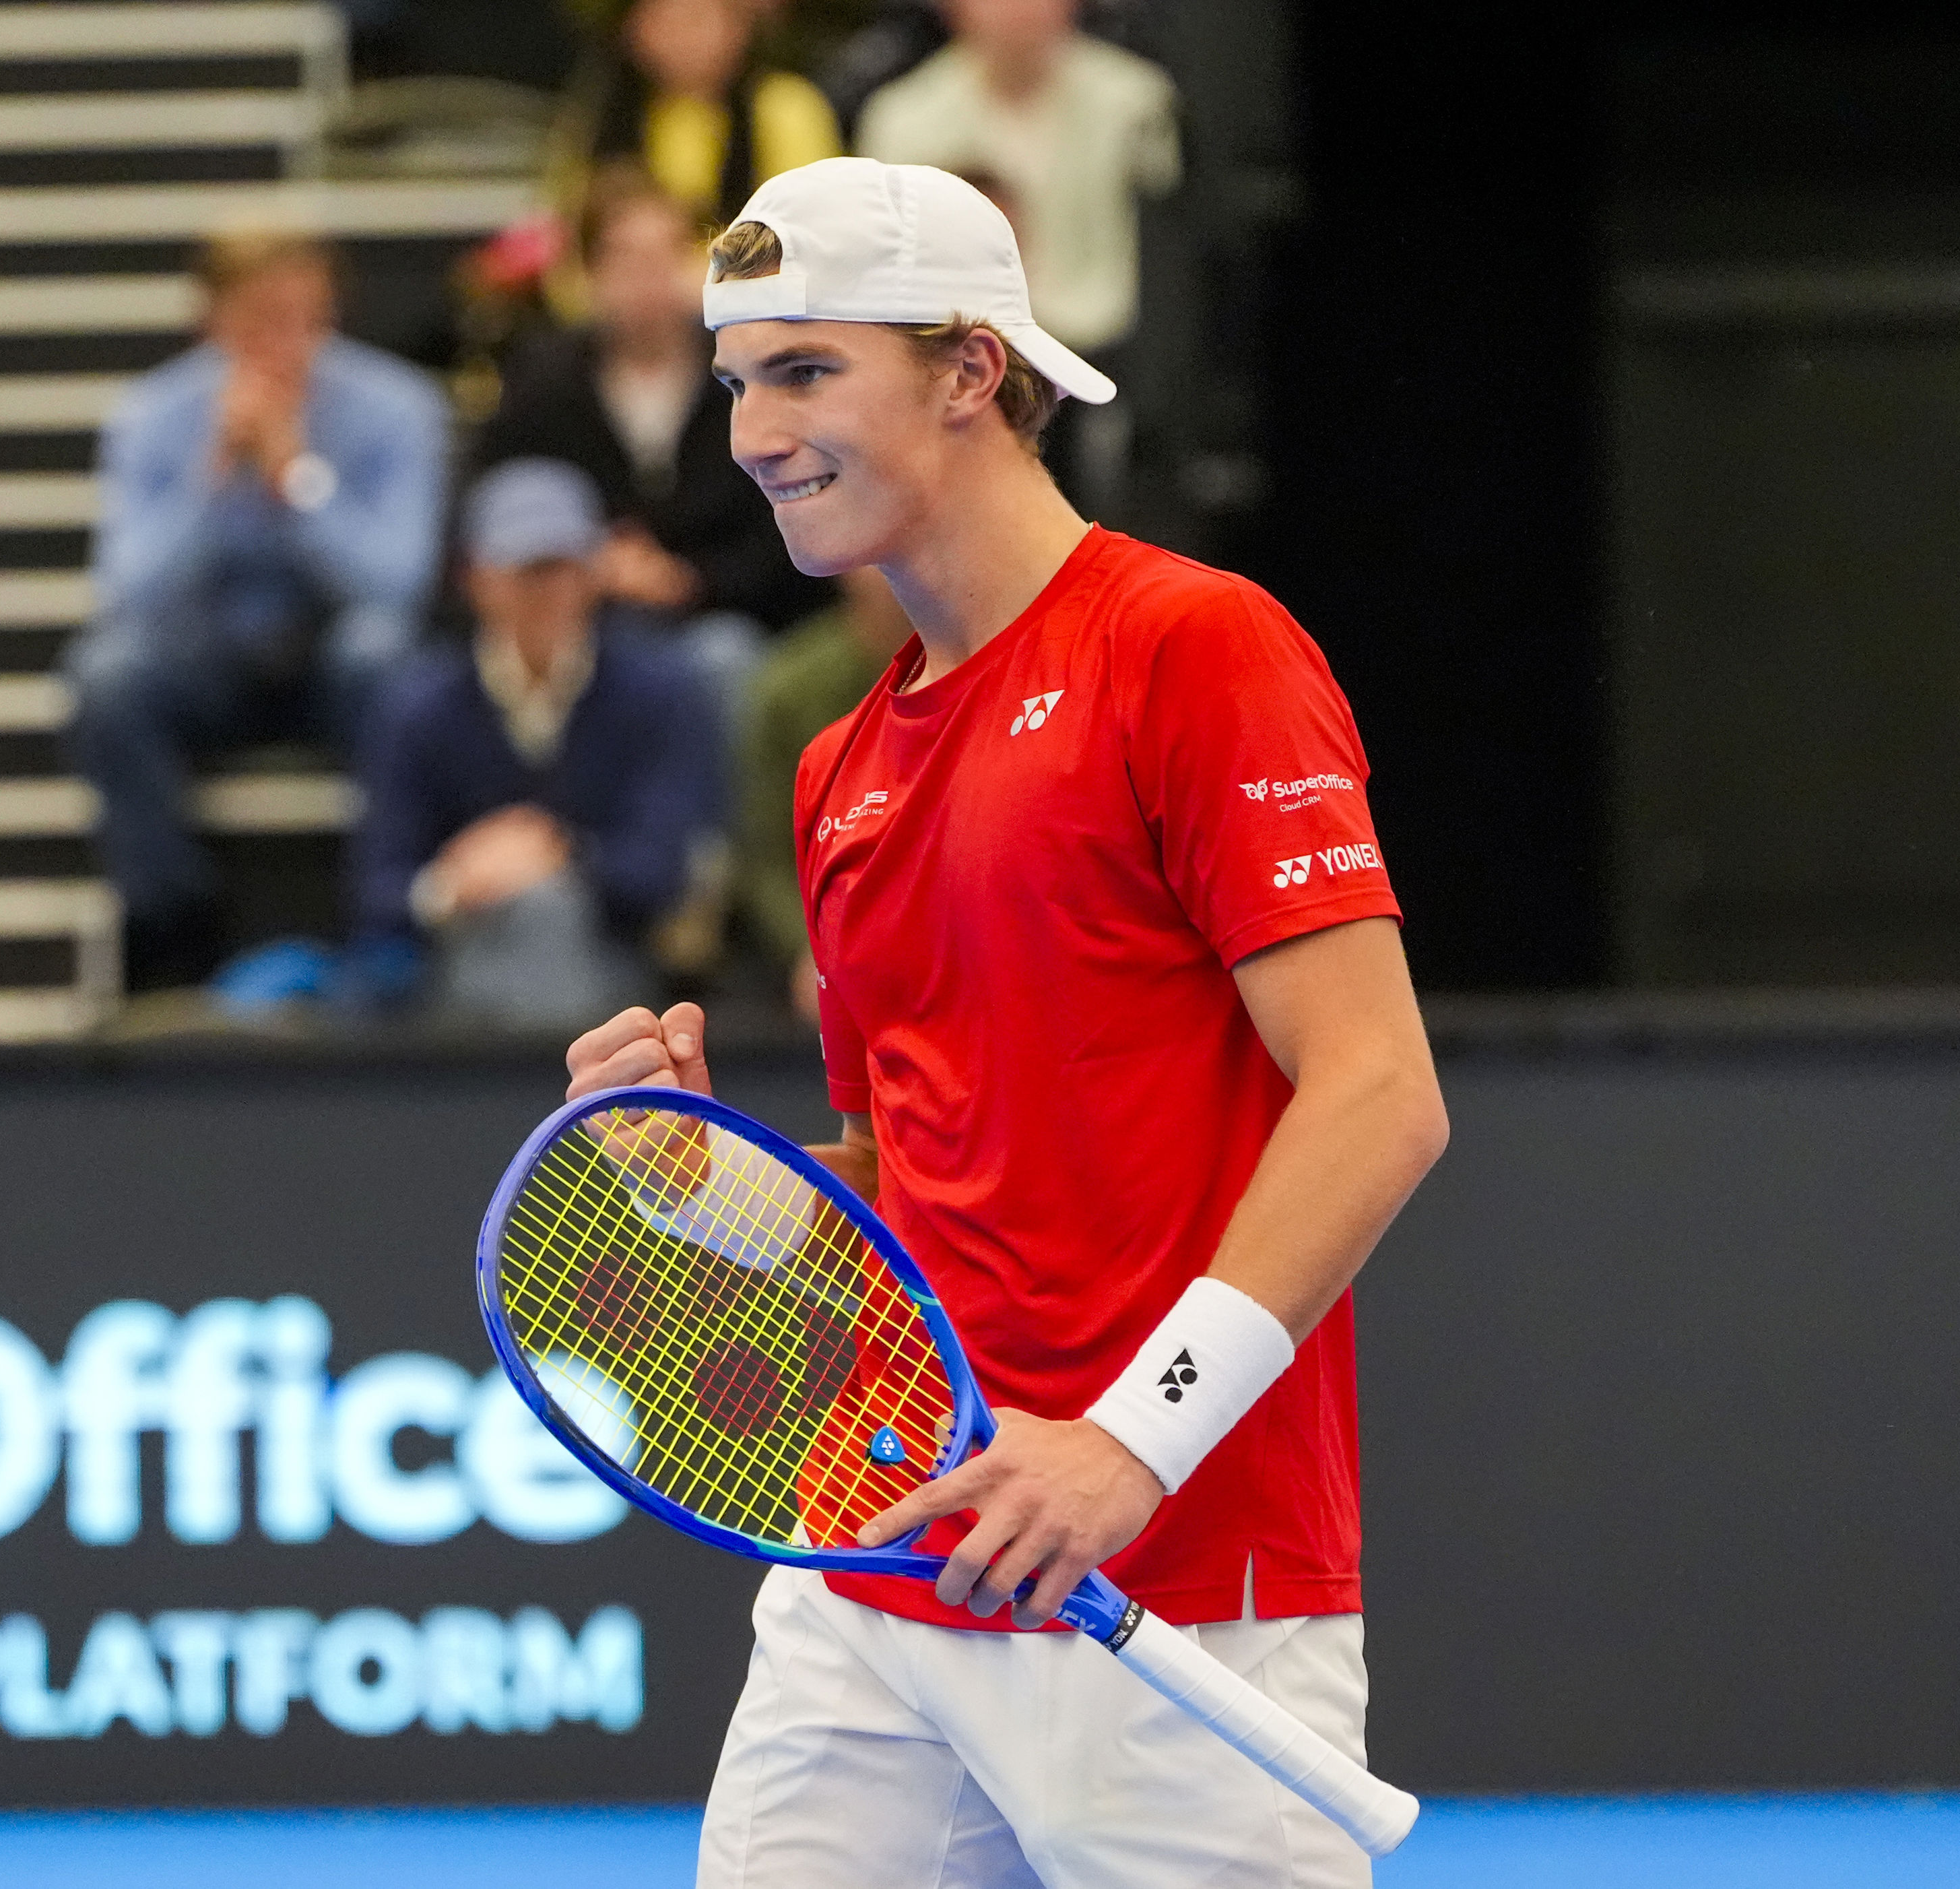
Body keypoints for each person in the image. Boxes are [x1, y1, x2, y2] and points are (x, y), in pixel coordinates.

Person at [560, 158, 1447, 1887]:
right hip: (885, 1549)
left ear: (973, 369)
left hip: (1168, 1574)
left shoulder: (1198, 645)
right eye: (739, 380)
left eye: (805, 371)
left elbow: (1381, 1094)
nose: (753, 430)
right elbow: (910, 1177)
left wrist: (1130, 1442)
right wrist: (698, 1171)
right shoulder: (837, 770)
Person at [61, 229, 451, 989]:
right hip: (210, 659)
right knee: (105, 676)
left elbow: (395, 585)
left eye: (301, 317)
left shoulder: (399, 406)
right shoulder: (151, 415)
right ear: (210, 322)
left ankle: (387, 919)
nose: (281, 342)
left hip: (336, 660)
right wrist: (210, 482)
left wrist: (296, 477)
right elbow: (128, 593)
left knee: (388, 658)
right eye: (257, 321)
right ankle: (170, 926)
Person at [352, 457, 726, 1029]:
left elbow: (660, 868)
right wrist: (455, 886)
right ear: (476, 578)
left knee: (548, 915)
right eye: (525, 571)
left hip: (609, 962)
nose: (547, 592)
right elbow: (378, 885)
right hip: (463, 962)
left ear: (592, 574)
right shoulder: (419, 707)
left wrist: (556, 851)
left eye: (564, 568)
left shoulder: (660, 692)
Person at [478, 168, 830, 714]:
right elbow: (501, 505)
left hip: (727, 614)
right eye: (627, 260)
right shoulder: (543, 381)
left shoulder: (749, 375)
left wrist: (689, 580)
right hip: (577, 611)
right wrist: (588, 566)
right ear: (589, 273)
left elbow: (786, 523)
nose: (650, 280)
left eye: (668, 255)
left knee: (724, 656)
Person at [856, 0, 1179, 516]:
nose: (1017, 10)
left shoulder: (1137, 102)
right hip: (962, 358)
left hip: (1110, 356)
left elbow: (1172, 258)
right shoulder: (901, 117)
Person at [735, 562, 909, 1013]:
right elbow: (768, 853)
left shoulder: (987, 658)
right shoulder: (791, 688)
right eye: (875, 561)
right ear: (847, 569)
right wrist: (810, 944)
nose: (888, 575)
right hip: (831, 921)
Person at [559, 0, 841, 230]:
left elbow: (812, 226)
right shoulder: (607, 112)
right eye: (663, 21)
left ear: (739, 27)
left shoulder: (787, 105)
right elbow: (571, 230)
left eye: (695, 20)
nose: (680, 39)